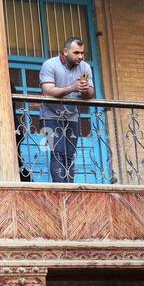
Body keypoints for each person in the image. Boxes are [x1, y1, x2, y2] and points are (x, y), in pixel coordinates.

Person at [38, 37, 94, 183]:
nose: (80, 56)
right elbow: (48, 91)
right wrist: (72, 88)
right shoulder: (49, 65)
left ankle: (70, 190)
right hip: (48, 117)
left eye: (82, 53)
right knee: (57, 153)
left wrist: (84, 90)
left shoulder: (85, 67)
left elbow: (90, 94)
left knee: (70, 155)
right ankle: (60, 191)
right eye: (76, 53)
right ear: (65, 51)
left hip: (72, 117)